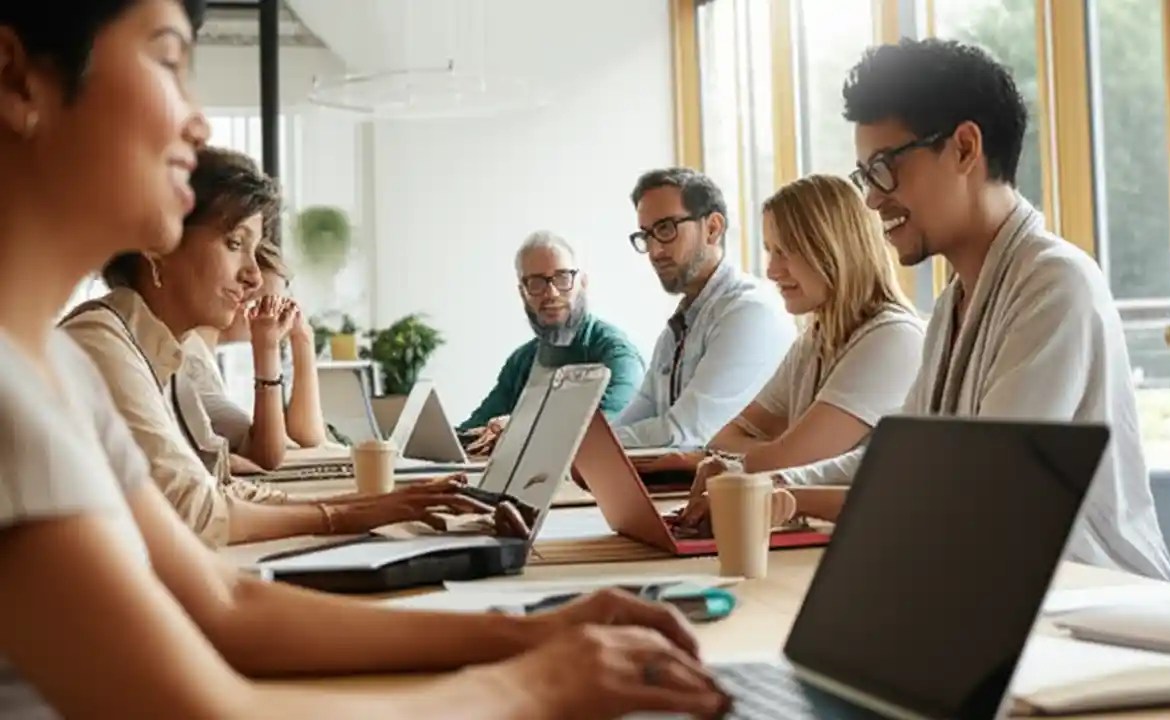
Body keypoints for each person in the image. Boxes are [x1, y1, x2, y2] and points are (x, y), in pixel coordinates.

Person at [0, 2, 728, 717]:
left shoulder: (57, 371)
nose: (197, 121)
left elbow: (228, 607)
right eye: (166, 60)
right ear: (15, 77)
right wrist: (537, 683)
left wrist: (535, 632)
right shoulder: (22, 386)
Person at [688, 39, 1170, 582]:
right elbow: (898, 464)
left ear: (965, 148)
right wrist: (771, 485)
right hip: (993, 588)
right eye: (865, 176)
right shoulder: (952, 304)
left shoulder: (1054, 285)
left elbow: (973, 493)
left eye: (884, 168)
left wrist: (786, 498)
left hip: (1098, 596)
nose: (872, 199)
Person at [59, 146, 508, 547]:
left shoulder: (161, 353)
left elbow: (221, 488)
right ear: (158, 246)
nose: (253, 276)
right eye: (235, 244)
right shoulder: (102, 344)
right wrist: (347, 515)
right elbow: (198, 514)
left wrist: (382, 503)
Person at [664, 175, 922, 524]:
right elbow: (723, 440)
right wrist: (766, 455)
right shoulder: (814, 340)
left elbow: (790, 461)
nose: (772, 271)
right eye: (770, 251)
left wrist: (757, 458)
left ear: (833, 249)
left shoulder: (893, 338)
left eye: (785, 252)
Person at [613, 168, 795, 449]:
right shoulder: (677, 328)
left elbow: (687, 433)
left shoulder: (749, 313)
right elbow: (637, 415)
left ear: (712, 228)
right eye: (646, 236)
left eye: (666, 229)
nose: (655, 251)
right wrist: (583, 446)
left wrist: (586, 448)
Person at [458, 231, 645, 454]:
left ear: (583, 283)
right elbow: (475, 429)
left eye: (562, 277)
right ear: (523, 292)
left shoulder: (616, 354)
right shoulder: (521, 361)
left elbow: (601, 430)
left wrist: (516, 429)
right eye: (536, 282)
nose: (552, 293)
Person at [187, 237, 328, 470]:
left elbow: (308, 439)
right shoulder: (190, 361)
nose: (277, 318)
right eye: (266, 306)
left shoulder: (206, 355)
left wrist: (303, 339)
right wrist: (267, 347)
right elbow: (268, 452)